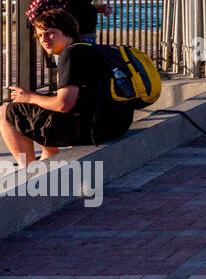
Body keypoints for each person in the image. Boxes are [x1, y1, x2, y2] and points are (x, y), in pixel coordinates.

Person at [2, 9, 134, 167]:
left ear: (68, 32)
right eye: (39, 35)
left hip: (95, 131)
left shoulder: (70, 55)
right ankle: (49, 158)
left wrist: (28, 97)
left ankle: (28, 170)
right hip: (115, 125)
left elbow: (64, 105)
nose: (43, 40)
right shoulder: (87, 48)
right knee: (39, 108)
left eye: (50, 33)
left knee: (6, 111)